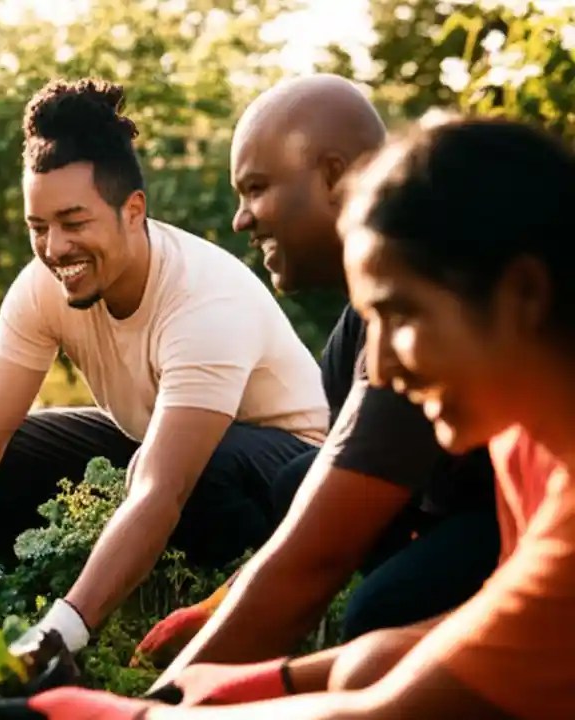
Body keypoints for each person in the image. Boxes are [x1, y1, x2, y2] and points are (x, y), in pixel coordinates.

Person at [0, 114, 575, 720]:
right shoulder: (525, 439)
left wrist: (129, 716)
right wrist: (256, 680)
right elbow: (457, 637)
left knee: (384, 607)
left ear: (524, 296)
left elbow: (397, 708)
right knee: (360, 621)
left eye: (403, 317)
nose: (384, 369)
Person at [0, 77, 330, 660]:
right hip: (155, 447)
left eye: (74, 222)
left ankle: (106, 611)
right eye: (38, 228)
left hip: (289, 470)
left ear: (133, 211)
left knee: (188, 473)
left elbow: (164, 486)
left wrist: (62, 638)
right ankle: (95, 584)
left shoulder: (204, 301)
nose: (55, 247)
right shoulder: (43, 286)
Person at [137, 75, 499, 688]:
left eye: (256, 188)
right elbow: (325, 497)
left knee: (385, 608)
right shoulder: (358, 329)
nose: (239, 219)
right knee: (296, 479)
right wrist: (219, 606)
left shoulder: (435, 297)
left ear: (335, 176)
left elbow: (319, 553)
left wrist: (161, 704)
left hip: (516, 522)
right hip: (464, 515)